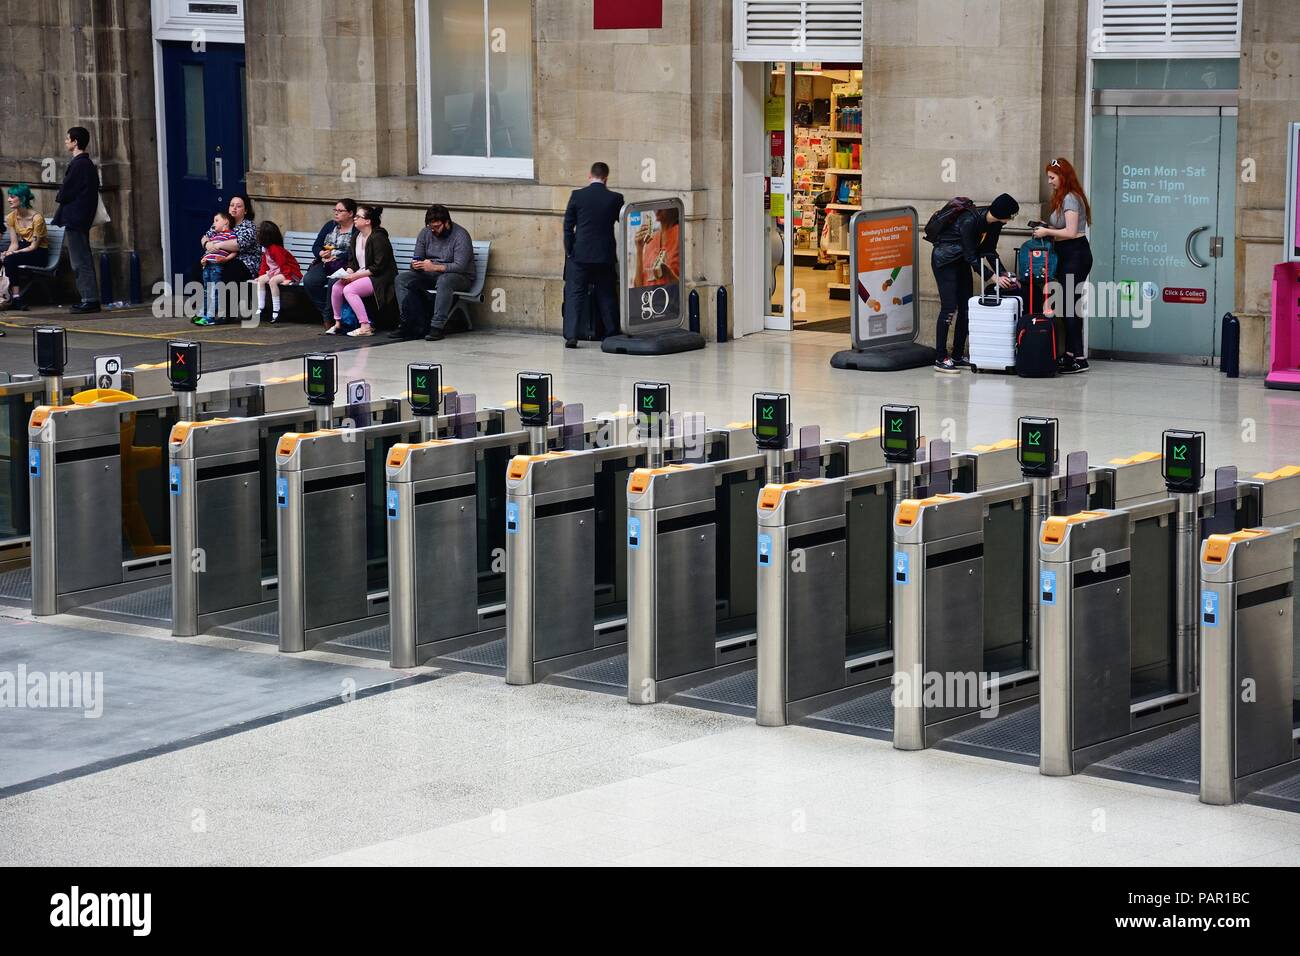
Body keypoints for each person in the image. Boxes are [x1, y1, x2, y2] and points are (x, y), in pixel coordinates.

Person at [929, 193, 1019, 374]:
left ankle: (957, 355)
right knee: (949, 308)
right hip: (945, 261)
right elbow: (972, 255)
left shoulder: (995, 223)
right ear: (1003, 213)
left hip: (962, 262)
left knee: (966, 308)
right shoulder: (969, 221)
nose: (1010, 220)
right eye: (1011, 216)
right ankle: (940, 358)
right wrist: (993, 278)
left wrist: (1002, 272)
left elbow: (989, 250)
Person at [1033, 158, 1093, 375]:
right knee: (1069, 305)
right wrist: (1046, 227)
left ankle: (1078, 358)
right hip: (1069, 254)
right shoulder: (1066, 197)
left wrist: (1047, 232)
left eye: (1052, 177)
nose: (1049, 181)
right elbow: (1065, 228)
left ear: (1063, 176)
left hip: (1075, 254)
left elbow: (1070, 232)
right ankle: (1069, 354)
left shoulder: (1070, 198)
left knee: (1069, 307)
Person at [561, 161, 624, 348]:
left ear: (590, 176)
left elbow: (567, 226)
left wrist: (570, 250)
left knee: (574, 294)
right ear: (606, 178)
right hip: (604, 255)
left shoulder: (577, 196)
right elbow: (624, 222)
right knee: (607, 294)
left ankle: (571, 335)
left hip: (580, 255)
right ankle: (611, 332)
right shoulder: (615, 198)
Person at [390, 204, 474, 342]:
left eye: (437, 227)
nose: (433, 230)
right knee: (402, 279)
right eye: (431, 227)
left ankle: (437, 326)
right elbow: (418, 256)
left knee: (444, 280)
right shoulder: (425, 233)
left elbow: (460, 266)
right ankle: (407, 322)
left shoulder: (461, 235)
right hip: (430, 274)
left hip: (460, 277)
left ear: (447, 223)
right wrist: (416, 265)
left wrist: (434, 267)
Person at [327, 203, 398, 337]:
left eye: (358, 217)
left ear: (367, 221)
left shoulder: (378, 237)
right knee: (337, 287)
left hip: (378, 277)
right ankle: (338, 324)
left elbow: (378, 267)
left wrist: (354, 277)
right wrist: (347, 273)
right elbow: (353, 262)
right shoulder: (356, 237)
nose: (354, 219)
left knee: (350, 290)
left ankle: (365, 326)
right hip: (362, 274)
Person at [51, 126, 101, 314]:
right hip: (79, 219)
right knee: (81, 258)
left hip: (76, 219)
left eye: (67, 139)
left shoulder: (79, 164)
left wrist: (61, 194)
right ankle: (88, 298)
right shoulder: (85, 164)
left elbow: (65, 192)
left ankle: (89, 299)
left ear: (75, 142)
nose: (65, 142)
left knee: (80, 260)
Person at [196, 194, 258, 322]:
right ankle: (205, 309)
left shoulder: (248, 226)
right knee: (198, 268)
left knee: (229, 271)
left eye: (239, 206)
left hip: (245, 261)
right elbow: (205, 237)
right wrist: (207, 244)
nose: (234, 208)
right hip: (221, 259)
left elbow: (238, 245)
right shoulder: (223, 222)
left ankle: (227, 313)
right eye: (232, 205)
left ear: (245, 210)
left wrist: (217, 245)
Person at [302, 199, 357, 325]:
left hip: (345, 264)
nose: (336, 213)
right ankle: (329, 312)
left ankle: (328, 317)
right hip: (326, 262)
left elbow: (355, 252)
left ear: (350, 213)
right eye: (335, 210)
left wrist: (338, 255)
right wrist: (322, 253)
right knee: (310, 281)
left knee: (334, 282)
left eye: (340, 211)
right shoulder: (330, 225)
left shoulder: (356, 229)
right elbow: (316, 246)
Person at [1, 184, 48, 311]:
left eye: (12, 197)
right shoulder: (11, 217)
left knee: (11, 259)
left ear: (22, 199)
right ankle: (11, 297)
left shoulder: (37, 219)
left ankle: (16, 298)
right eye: (8, 197)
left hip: (39, 253)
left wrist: (14, 254)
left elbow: (33, 246)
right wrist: (8, 252)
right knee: (6, 258)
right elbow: (14, 243)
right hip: (23, 248)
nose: (9, 200)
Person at [254, 220, 303, 324]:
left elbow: (284, 264)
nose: (257, 235)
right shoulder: (265, 249)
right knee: (261, 280)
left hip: (291, 273)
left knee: (272, 281)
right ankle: (261, 307)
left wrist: (288, 278)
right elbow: (264, 264)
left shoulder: (275, 249)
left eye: (259, 233)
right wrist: (261, 275)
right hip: (276, 271)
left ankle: (276, 310)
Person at [194, 210, 236, 327]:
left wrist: (226, 259)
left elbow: (235, 251)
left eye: (216, 220)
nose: (213, 223)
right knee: (207, 291)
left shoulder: (230, 235)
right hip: (207, 266)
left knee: (214, 292)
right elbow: (209, 250)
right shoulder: (214, 236)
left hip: (216, 267)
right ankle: (202, 314)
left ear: (226, 222)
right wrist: (204, 259)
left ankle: (211, 317)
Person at [633, 205, 680, 288]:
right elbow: (638, 287)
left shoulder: (682, 233)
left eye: (662, 204)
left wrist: (668, 275)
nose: (657, 208)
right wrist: (639, 250)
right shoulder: (652, 239)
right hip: (649, 298)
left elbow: (686, 287)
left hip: (670, 298)